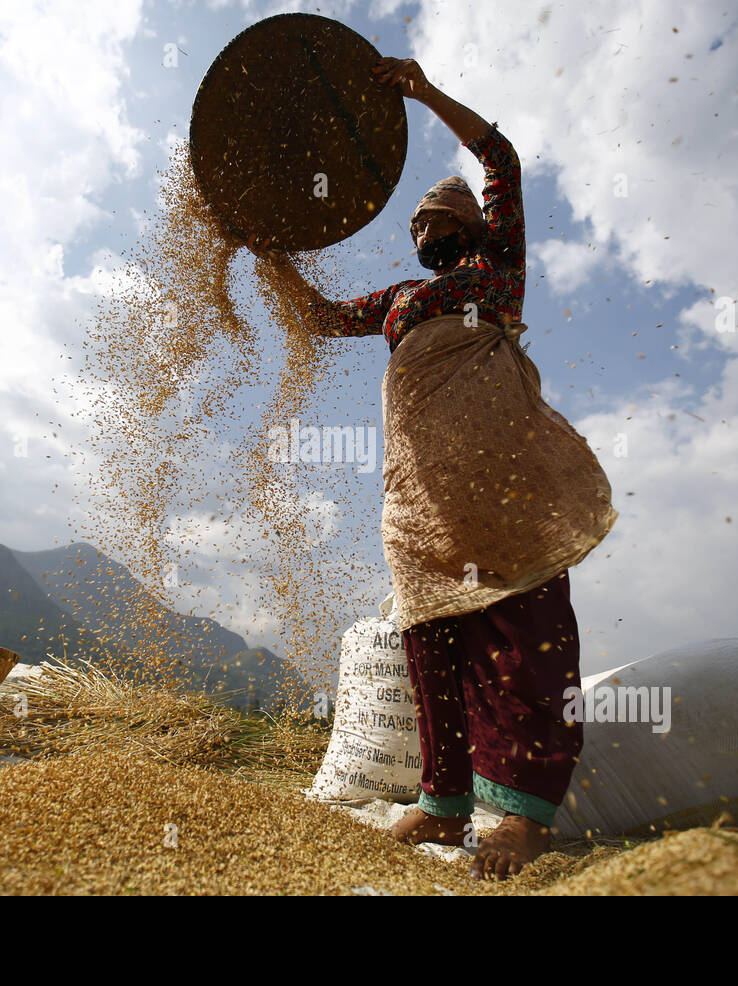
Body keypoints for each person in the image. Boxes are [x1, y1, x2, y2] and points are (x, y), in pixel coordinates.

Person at [246, 57, 582, 882]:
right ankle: (443, 804)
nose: (430, 222)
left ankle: (521, 814)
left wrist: (423, 93)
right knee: (430, 634)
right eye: (420, 222)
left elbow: (500, 160)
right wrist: (271, 255)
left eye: (445, 211)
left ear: (473, 224)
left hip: (498, 470)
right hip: (417, 486)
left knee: (518, 621)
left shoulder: (500, 271)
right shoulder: (399, 299)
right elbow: (323, 319)